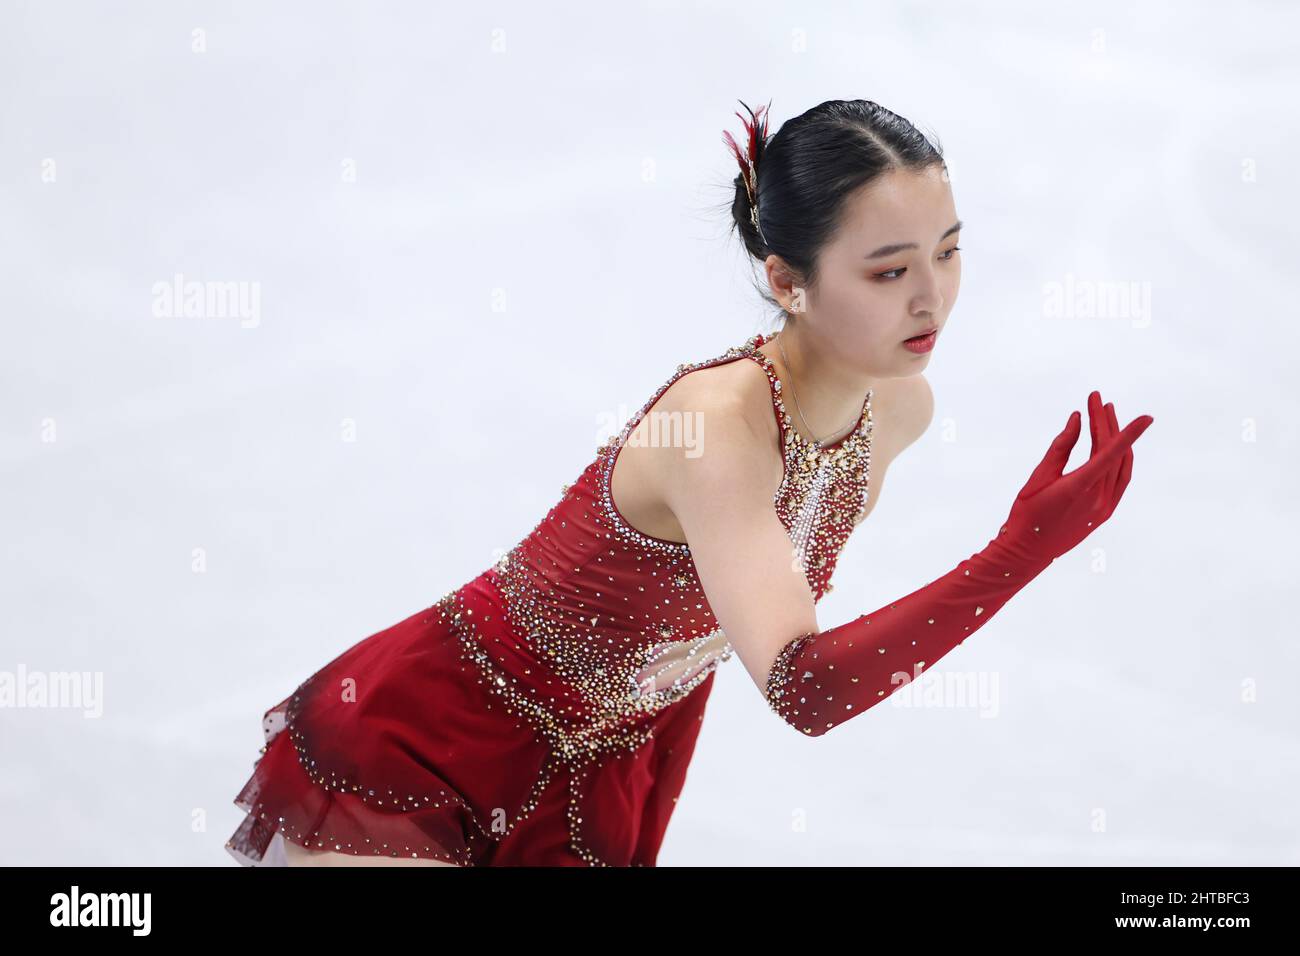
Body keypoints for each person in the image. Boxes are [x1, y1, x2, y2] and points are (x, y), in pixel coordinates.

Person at [225, 98, 1153, 867]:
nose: (932, 299)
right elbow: (805, 690)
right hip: (430, 737)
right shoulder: (715, 426)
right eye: (889, 271)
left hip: (602, 767)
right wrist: (1017, 555)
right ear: (788, 280)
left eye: (948, 252)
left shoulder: (897, 413)